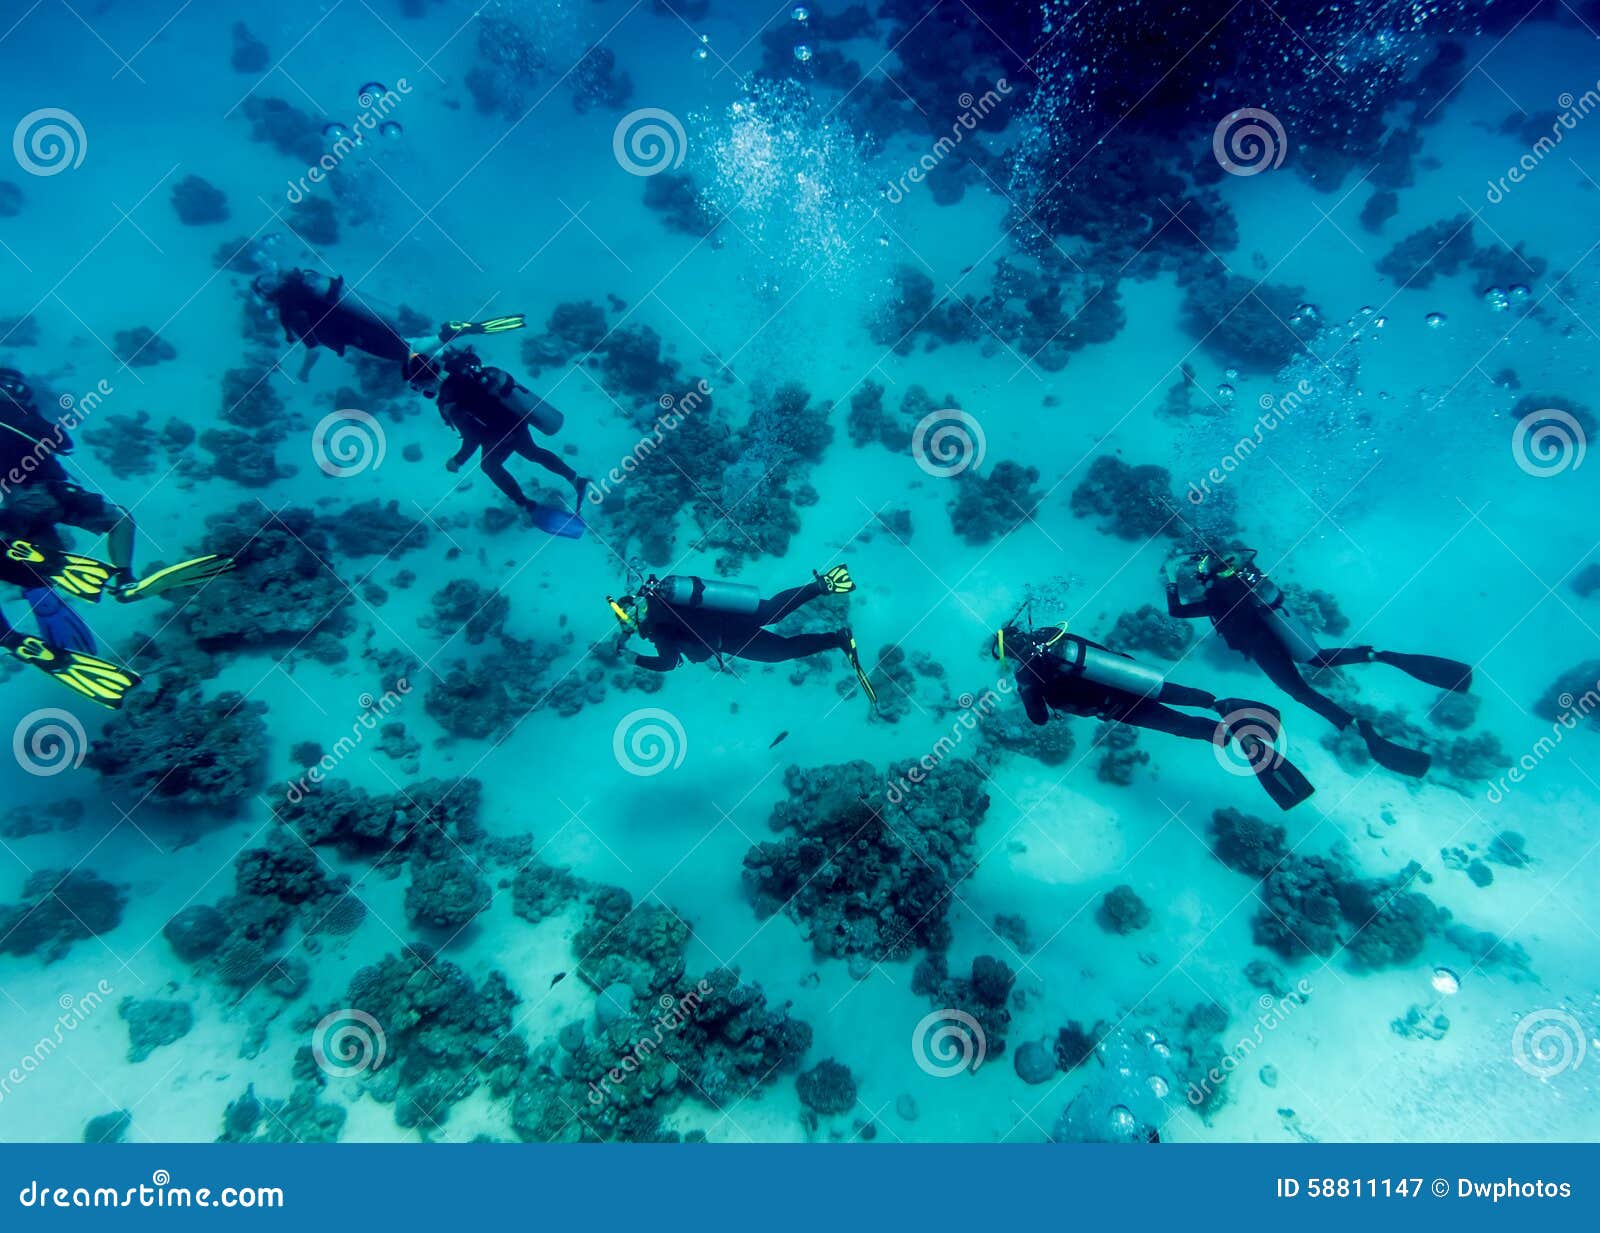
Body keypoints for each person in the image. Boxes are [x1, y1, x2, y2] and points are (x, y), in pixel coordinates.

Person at [1163, 549, 1468, 778]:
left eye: (1202, 569)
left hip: (1263, 646)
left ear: (1210, 572)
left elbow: (1178, 612)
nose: (1200, 574)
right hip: (1279, 632)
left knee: (1300, 692)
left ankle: (1354, 725)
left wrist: (1170, 578)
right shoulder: (1244, 585)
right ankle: (1378, 655)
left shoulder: (1218, 595)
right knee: (1320, 659)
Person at [995, 620, 1316, 810]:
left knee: (1179, 725)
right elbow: (1096, 649)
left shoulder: (1027, 678)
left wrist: (1026, 690)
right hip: (1133, 677)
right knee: (1186, 696)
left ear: (1009, 655)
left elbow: (1038, 718)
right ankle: (1223, 705)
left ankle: (1242, 741)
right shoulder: (1051, 634)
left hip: (1119, 707)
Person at [608, 565, 875, 704]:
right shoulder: (662, 599)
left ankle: (838, 639)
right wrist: (625, 636)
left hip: (730, 639)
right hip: (730, 612)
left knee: (781, 652)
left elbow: (667, 663)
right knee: (773, 610)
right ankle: (822, 584)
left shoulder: (659, 629)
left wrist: (633, 658)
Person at [419, 345, 590, 535]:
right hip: (516, 418)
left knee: (490, 466)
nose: (421, 390)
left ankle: (527, 506)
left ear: (426, 383)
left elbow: (472, 438)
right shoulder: (463, 371)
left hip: (500, 434)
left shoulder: (448, 402)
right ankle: (576, 480)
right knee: (532, 452)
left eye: (418, 386)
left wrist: (457, 460)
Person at [251, 266, 523, 380]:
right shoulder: (307, 283)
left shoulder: (291, 313)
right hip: (371, 319)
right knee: (410, 347)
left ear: (268, 297)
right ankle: (451, 344)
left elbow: (313, 348)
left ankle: (450, 336)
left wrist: (303, 373)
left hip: (359, 333)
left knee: (409, 352)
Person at [2, 367, 135, 587]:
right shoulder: (15, 414)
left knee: (43, 570)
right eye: (12, 386)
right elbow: (63, 442)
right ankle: (125, 579)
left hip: (9, 512)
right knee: (120, 521)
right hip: (38, 497)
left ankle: (41, 586)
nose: (18, 391)